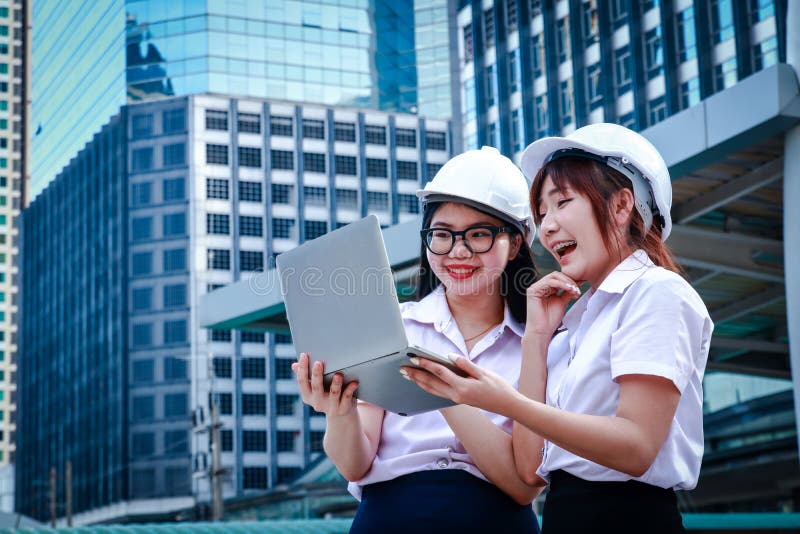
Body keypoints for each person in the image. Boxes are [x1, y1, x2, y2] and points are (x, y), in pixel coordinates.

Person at [404, 123, 713, 533]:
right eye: (542, 212)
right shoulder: (576, 320)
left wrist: (505, 403)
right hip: (565, 515)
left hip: (629, 518)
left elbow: (636, 447)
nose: (547, 226)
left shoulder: (656, 291)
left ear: (622, 205)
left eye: (562, 202)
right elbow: (530, 466)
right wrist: (535, 339)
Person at [292, 146, 544, 533]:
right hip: (389, 519)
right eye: (441, 235)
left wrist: (442, 392)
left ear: (517, 242)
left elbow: (523, 486)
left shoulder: (538, 343)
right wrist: (339, 412)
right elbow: (355, 465)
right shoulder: (393, 327)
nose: (457, 251)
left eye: (479, 234)